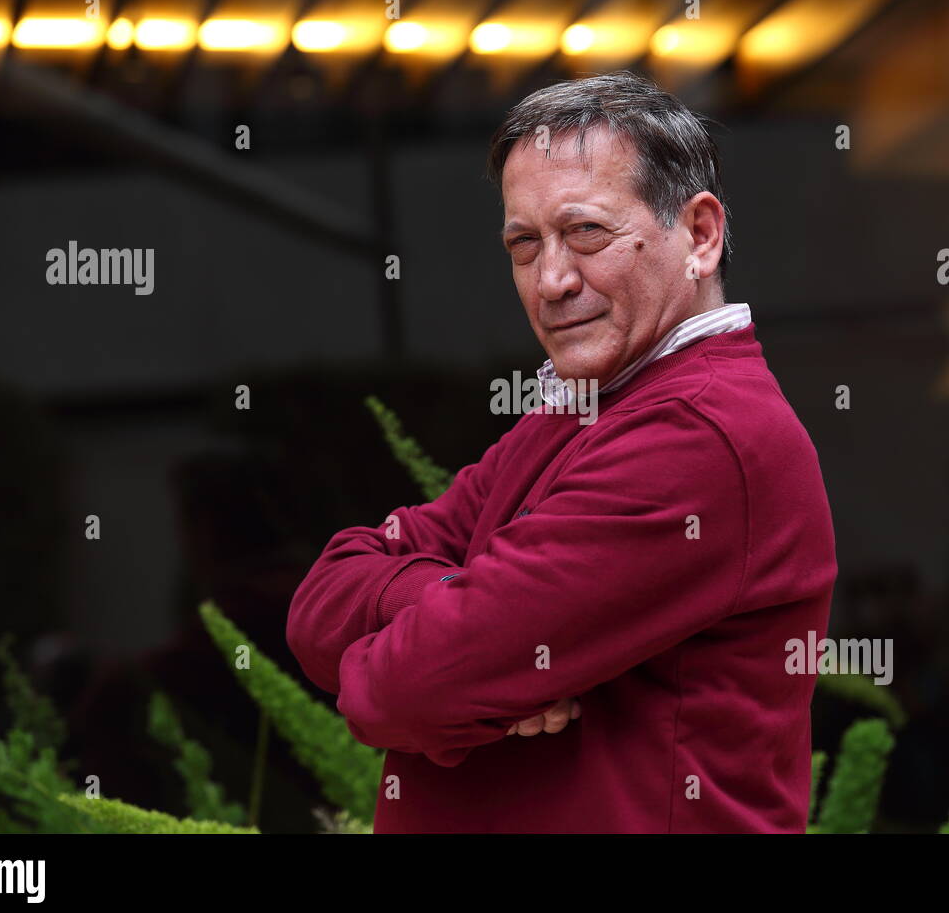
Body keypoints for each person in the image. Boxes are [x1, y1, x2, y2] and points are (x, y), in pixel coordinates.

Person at [286, 70, 837, 832]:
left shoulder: (698, 434)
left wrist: (438, 638)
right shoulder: (587, 408)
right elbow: (320, 600)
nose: (551, 280)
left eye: (586, 233)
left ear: (700, 236)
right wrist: (436, 605)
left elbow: (404, 689)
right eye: (524, 244)